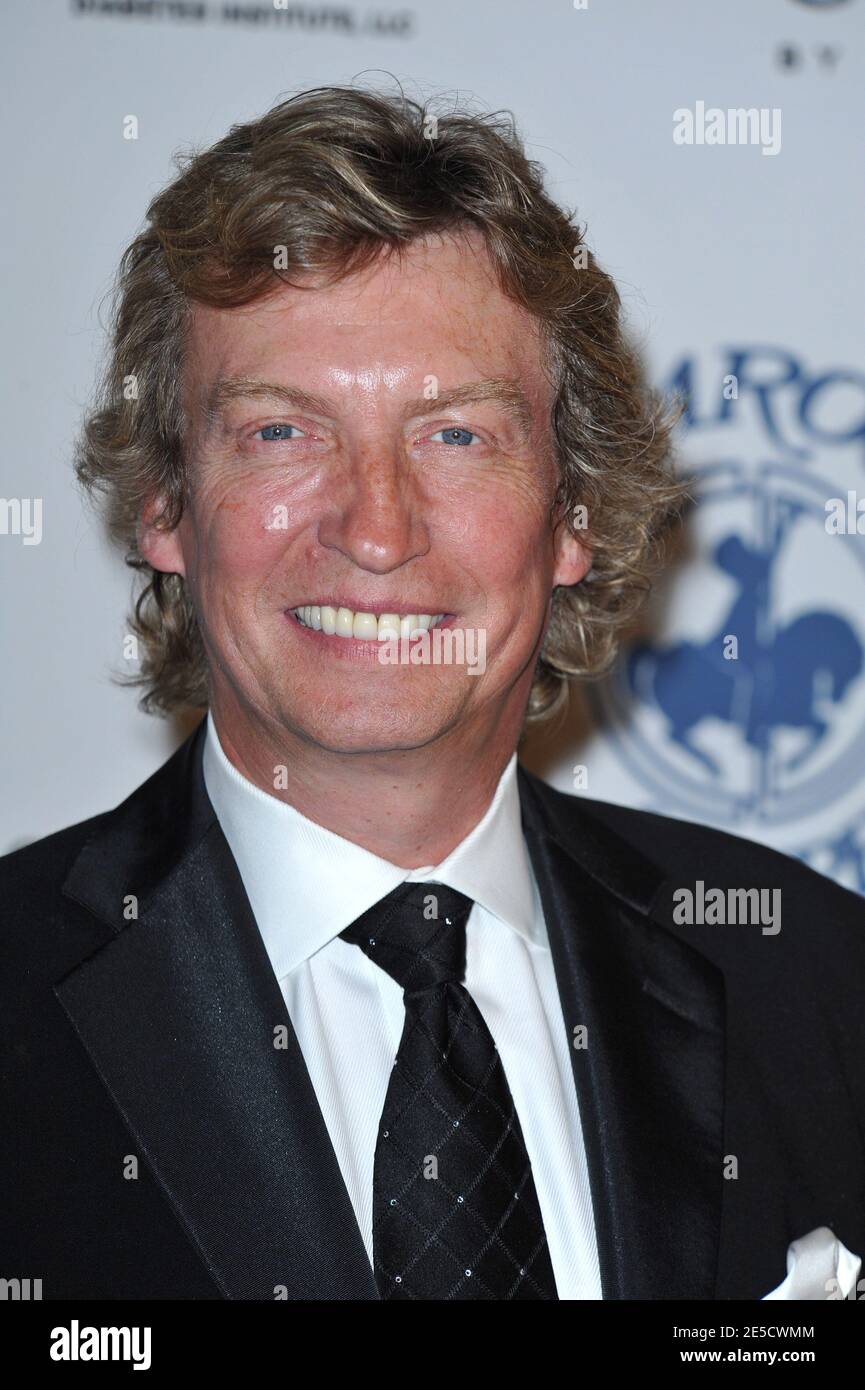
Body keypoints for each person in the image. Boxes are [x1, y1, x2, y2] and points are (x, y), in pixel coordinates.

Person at [2, 84, 863, 1303]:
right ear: (164, 506)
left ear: (572, 515)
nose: (376, 527)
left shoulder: (821, 984)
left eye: (456, 435)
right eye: (278, 433)